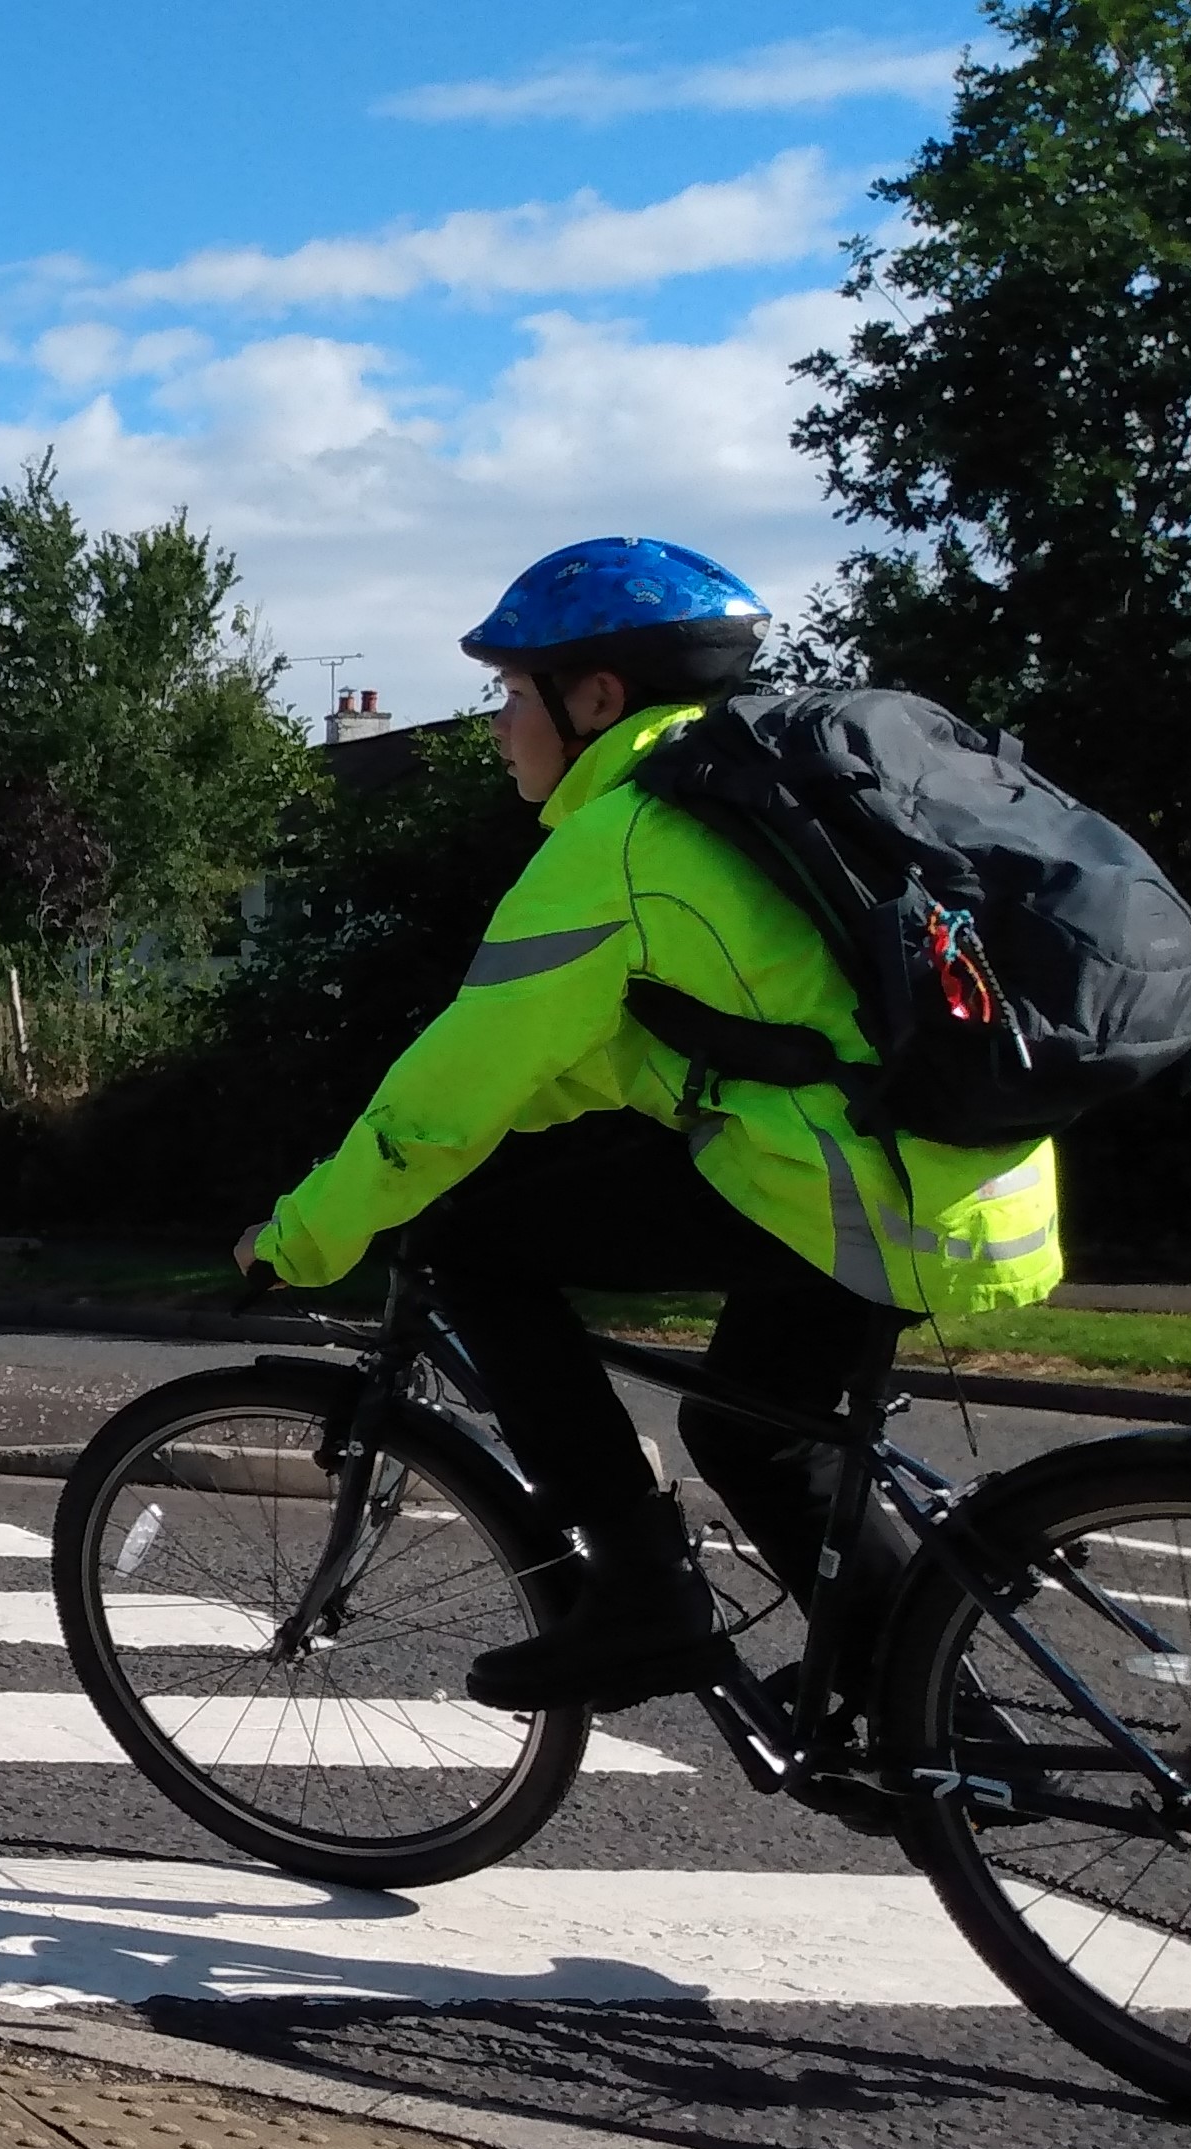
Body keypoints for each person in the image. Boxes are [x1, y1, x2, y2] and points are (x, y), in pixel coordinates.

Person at [234, 537, 1064, 1713]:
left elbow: (441, 1099)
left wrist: (302, 1236)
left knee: (471, 1247)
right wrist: (476, 1132)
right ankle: (926, 1721)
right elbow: (600, 1060)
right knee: (749, 1430)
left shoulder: (622, 839)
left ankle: (643, 1599)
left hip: (866, 1190)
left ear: (593, 698)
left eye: (507, 694)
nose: (495, 726)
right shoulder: (746, 804)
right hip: (964, 1175)